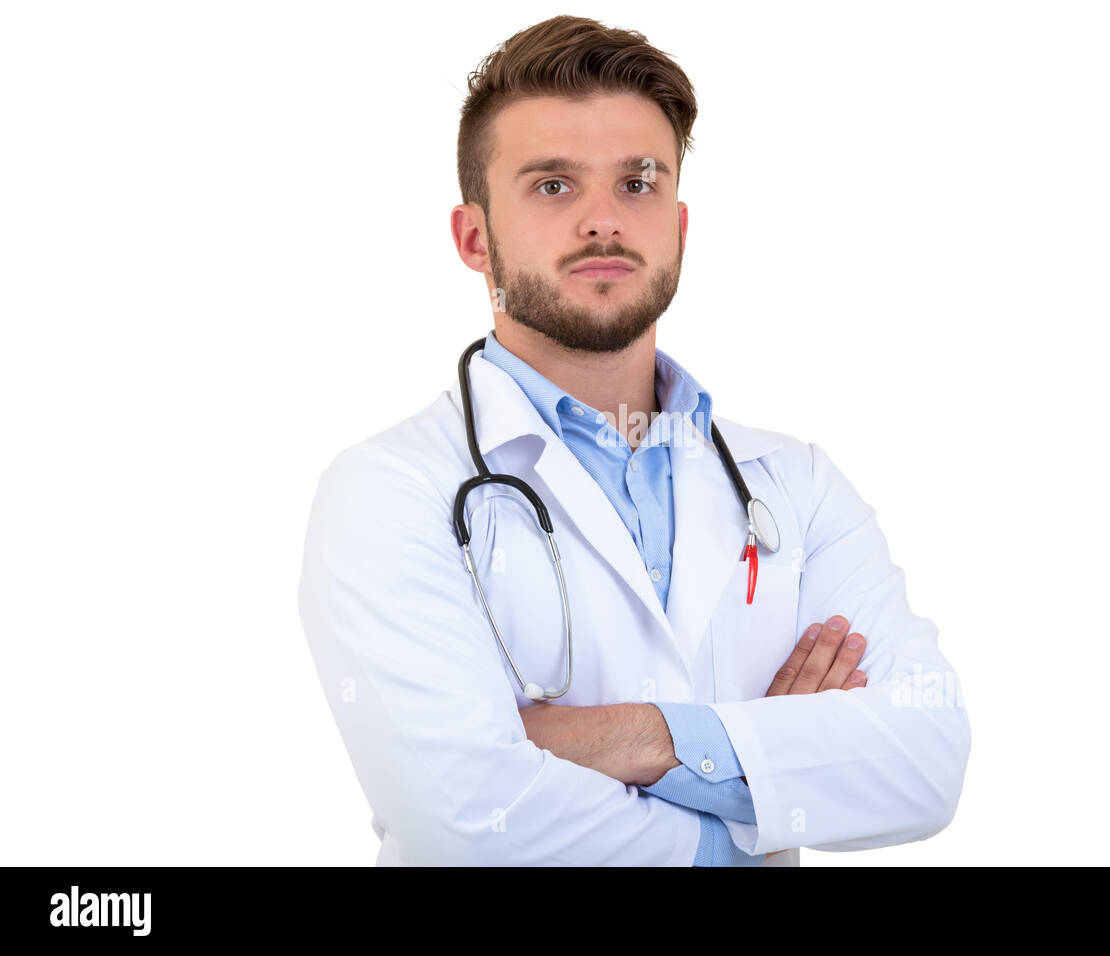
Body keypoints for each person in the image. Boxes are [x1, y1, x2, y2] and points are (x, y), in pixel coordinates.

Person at [297, 14, 971, 866]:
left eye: (638, 183)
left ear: (680, 227)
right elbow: (463, 817)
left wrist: (630, 737)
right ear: (474, 239)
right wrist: (769, 775)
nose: (602, 222)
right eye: (553, 186)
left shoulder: (794, 485)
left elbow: (926, 759)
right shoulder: (388, 493)